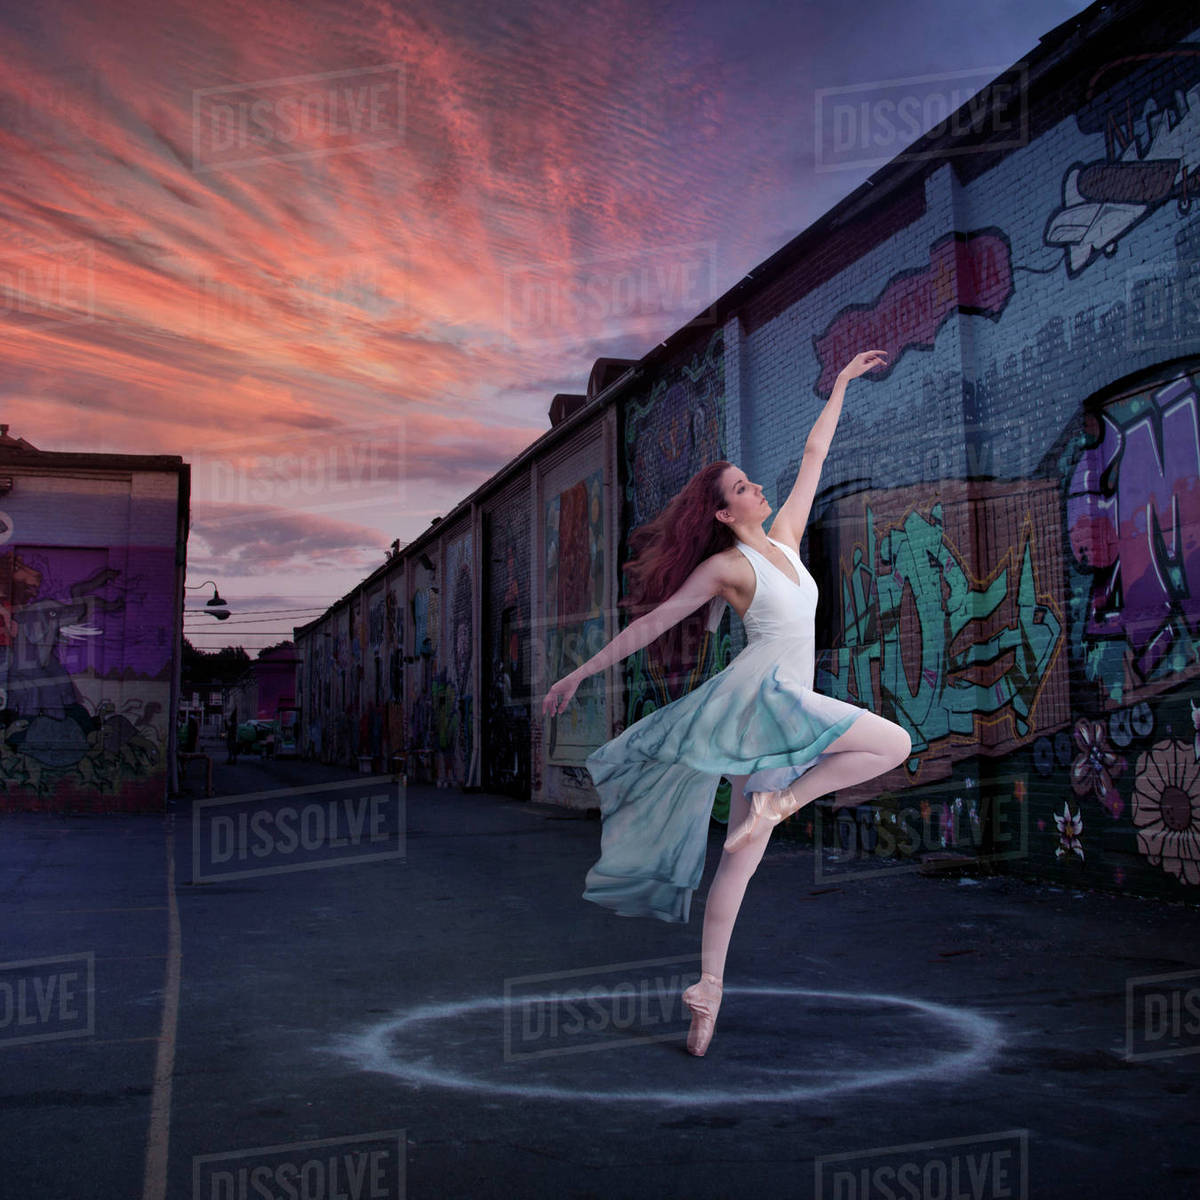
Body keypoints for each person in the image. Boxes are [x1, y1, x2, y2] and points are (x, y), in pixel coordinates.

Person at [542, 349, 911, 1057]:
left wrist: (840, 383)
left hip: (775, 713)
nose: (759, 487)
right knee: (892, 744)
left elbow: (814, 455)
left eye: (752, 480)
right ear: (723, 511)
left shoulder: (787, 542)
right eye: (743, 486)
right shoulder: (726, 568)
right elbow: (652, 623)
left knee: (739, 862)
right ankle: (779, 807)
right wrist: (578, 675)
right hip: (768, 701)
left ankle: (706, 991)